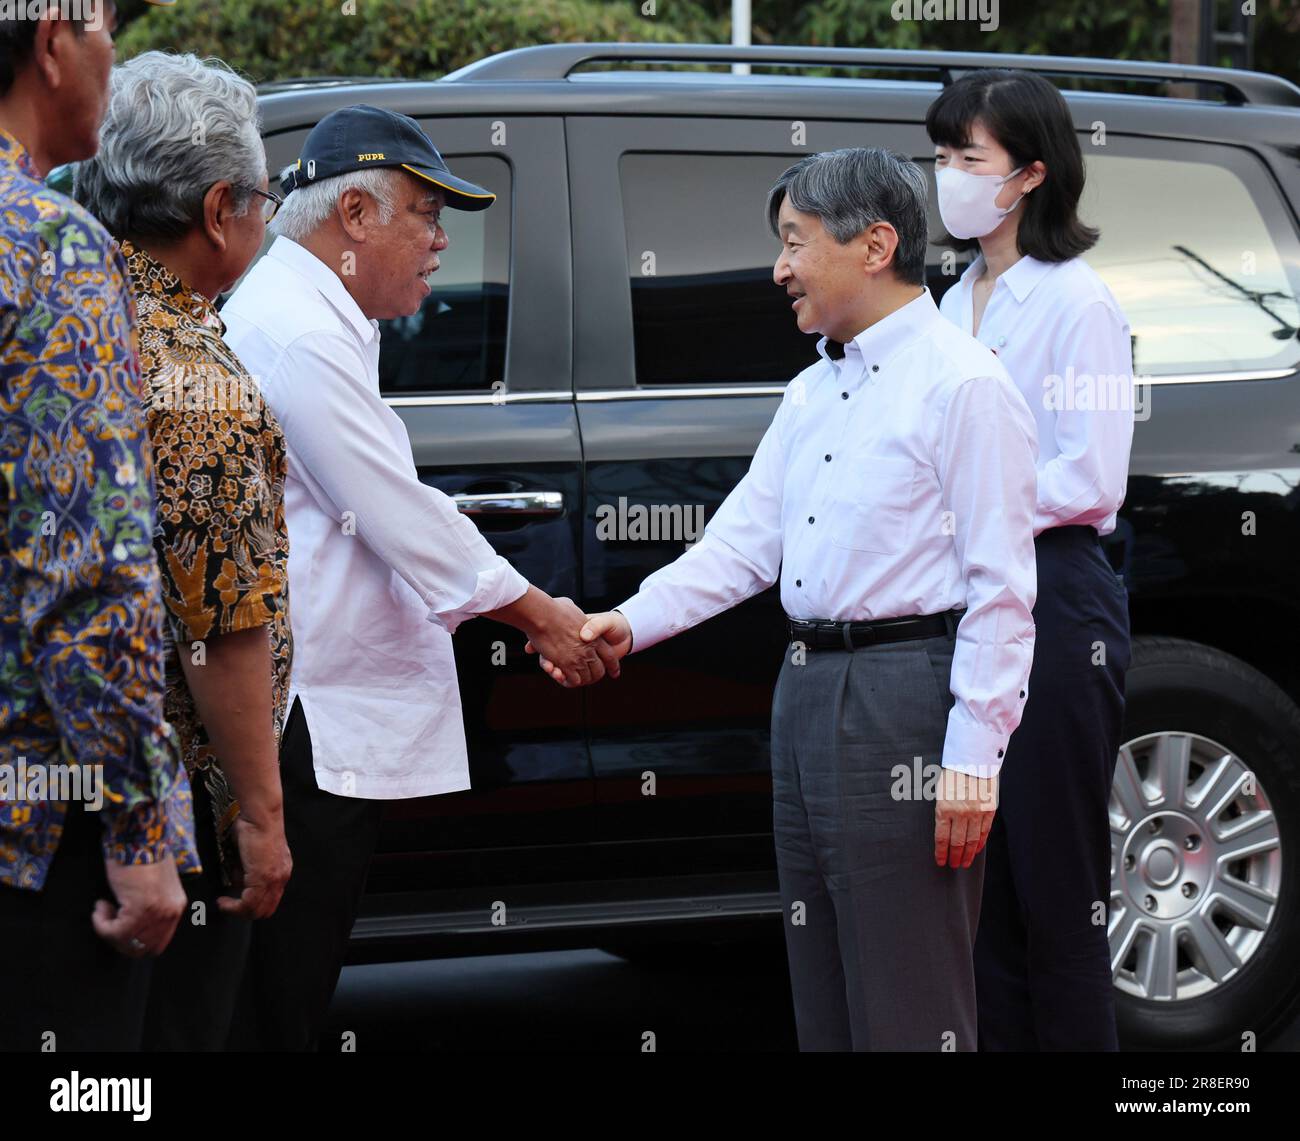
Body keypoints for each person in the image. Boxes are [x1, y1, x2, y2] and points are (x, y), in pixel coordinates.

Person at [545, 147, 1039, 1051]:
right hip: (806, 693)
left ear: (876, 244)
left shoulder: (964, 384)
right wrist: (625, 622)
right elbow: (740, 546)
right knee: (824, 992)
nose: (778, 270)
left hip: (904, 702)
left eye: (794, 242)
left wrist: (974, 755)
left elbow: (1002, 589)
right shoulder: (814, 387)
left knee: (908, 997)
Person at [219, 104, 618, 1051]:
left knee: (276, 992)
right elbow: (398, 513)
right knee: (276, 1003)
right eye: (427, 216)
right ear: (355, 213)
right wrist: (541, 616)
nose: (442, 244)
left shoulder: (311, 310)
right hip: (300, 722)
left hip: (308, 710)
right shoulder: (298, 330)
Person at [74, 50, 295, 1051]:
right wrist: (259, 811)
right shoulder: (194, 375)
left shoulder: (60, 319)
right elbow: (224, 629)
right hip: (171, 801)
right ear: (219, 210)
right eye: (265, 197)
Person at [0, 1, 196, 1051]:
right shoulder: (50, 248)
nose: (112, 60)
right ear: (51, 44)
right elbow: (86, 567)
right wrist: (138, 822)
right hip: (35, 830)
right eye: (108, 33)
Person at [927, 68, 1135, 1051]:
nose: (948, 176)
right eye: (942, 155)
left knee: (1056, 889)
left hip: (1053, 600)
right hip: (964, 601)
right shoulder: (948, 296)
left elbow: (1089, 478)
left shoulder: (1076, 302)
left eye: (968, 159)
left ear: (1029, 176)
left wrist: (966, 498)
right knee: (982, 902)